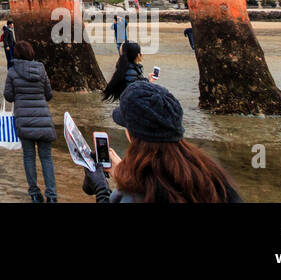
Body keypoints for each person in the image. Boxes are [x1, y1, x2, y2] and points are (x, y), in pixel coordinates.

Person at [81, 82, 243, 203]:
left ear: (132, 134)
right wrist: (123, 172)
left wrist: (102, 189)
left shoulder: (139, 194)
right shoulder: (208, 173)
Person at [3, 39, 56, 202]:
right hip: (44, 121)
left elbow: (9, 96)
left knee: (29, 157)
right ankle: (52, 196)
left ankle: (34, 194)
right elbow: (49, 95)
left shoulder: (12, 72)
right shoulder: (41, 69)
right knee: (46, 157)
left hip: (24, 122)